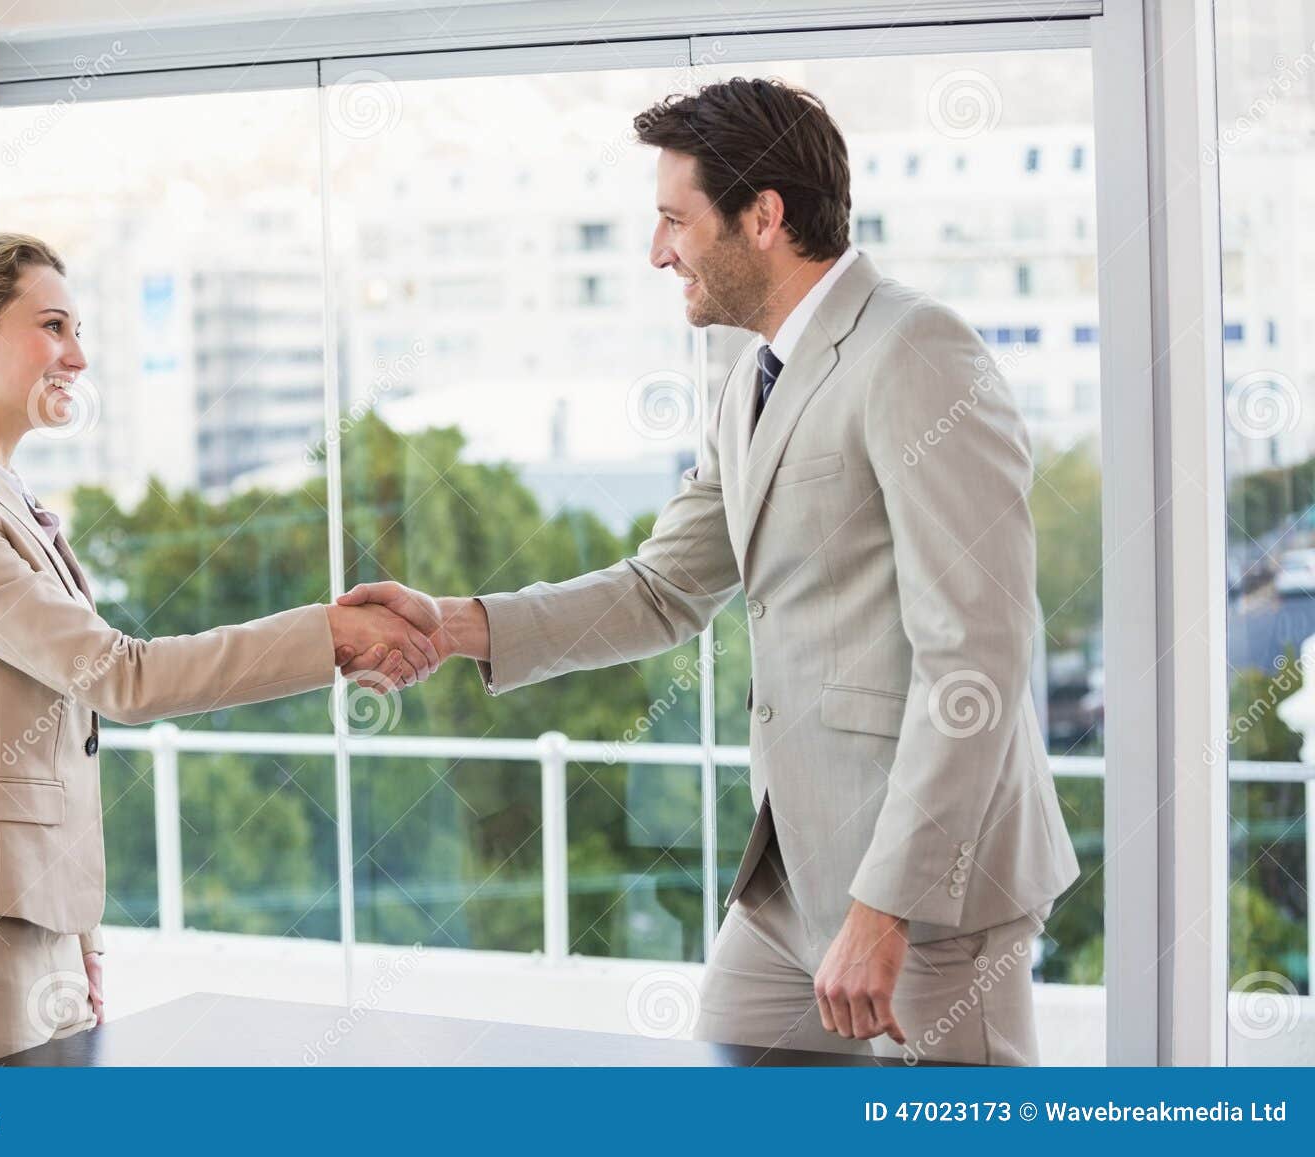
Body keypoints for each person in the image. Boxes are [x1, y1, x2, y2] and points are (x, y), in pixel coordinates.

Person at [337, 78, 1080, 1066]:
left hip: (929, 894)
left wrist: (885, 902)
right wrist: (451, 620)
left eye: (673, 221)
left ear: (762, 216)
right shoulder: (753, 380)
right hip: (794, 875)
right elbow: (660, 588)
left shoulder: (915, 352)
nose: (657, 252)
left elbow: (977, 651)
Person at [0, 231, 435, 1065]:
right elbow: (119, 678)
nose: (78, 357)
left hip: (22, 910)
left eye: (80, 330)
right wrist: (330, 636)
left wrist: (75, 928)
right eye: (53, 326)